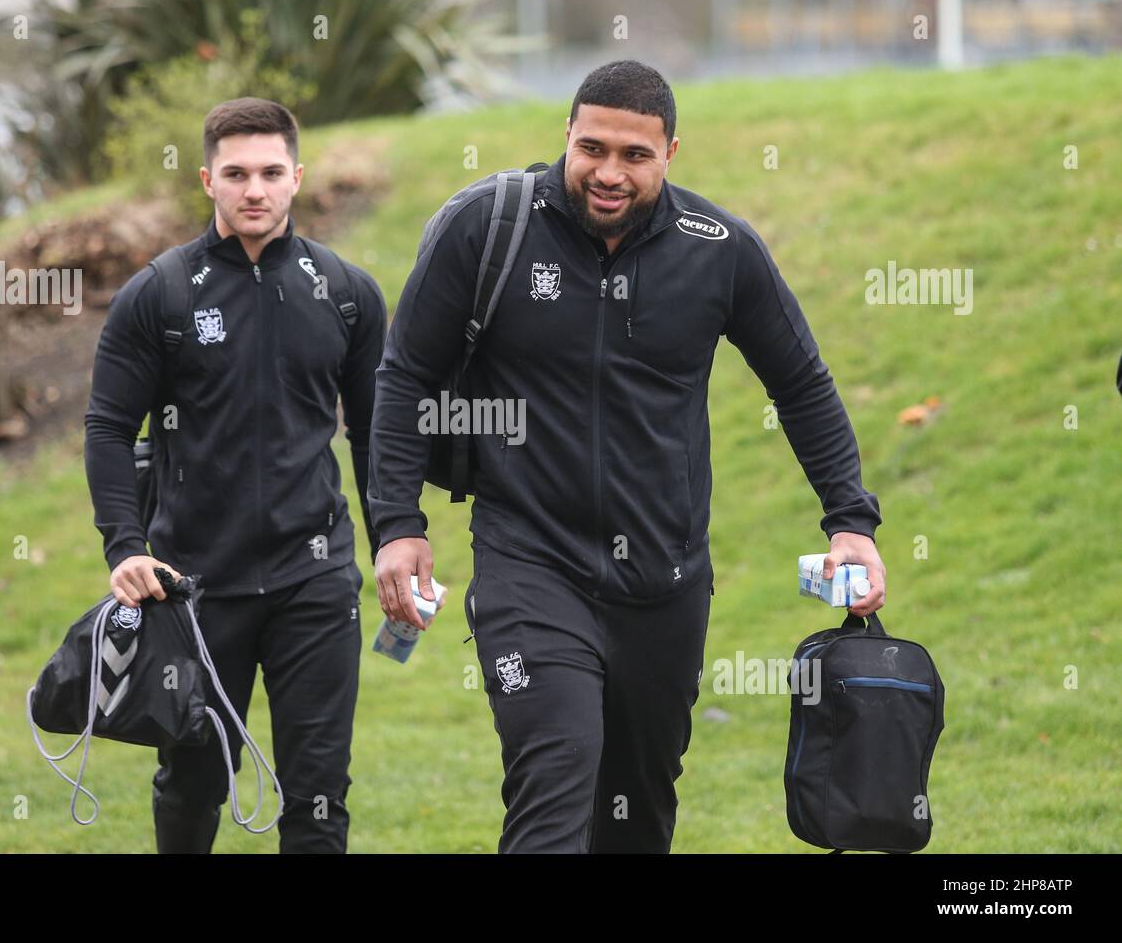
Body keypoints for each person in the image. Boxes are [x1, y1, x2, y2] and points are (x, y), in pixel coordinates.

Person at [368, 60, 886, 853]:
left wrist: (850, 518)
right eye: (592, 148)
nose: (609, 173)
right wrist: (397, 522)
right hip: (528, 564)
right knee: (555, 775)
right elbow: (403, 375)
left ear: (671, 153)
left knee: (637, 814)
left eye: (634, 155)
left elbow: (802, 384)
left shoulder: (720, 251)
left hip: (666, 584)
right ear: (566, 139)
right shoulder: (487, 228)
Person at [84, 97, 386, 853]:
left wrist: (393, 542)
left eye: (271, 172)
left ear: (297, 178)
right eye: (237, 173)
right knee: (192, 783)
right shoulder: (158, 295)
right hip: (194, 589)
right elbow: (109, 429)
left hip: (313, 584)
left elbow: (378, 433)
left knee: (318, 795)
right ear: (207, 181)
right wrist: (125, 547)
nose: (255, 189)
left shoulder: (345, 293)